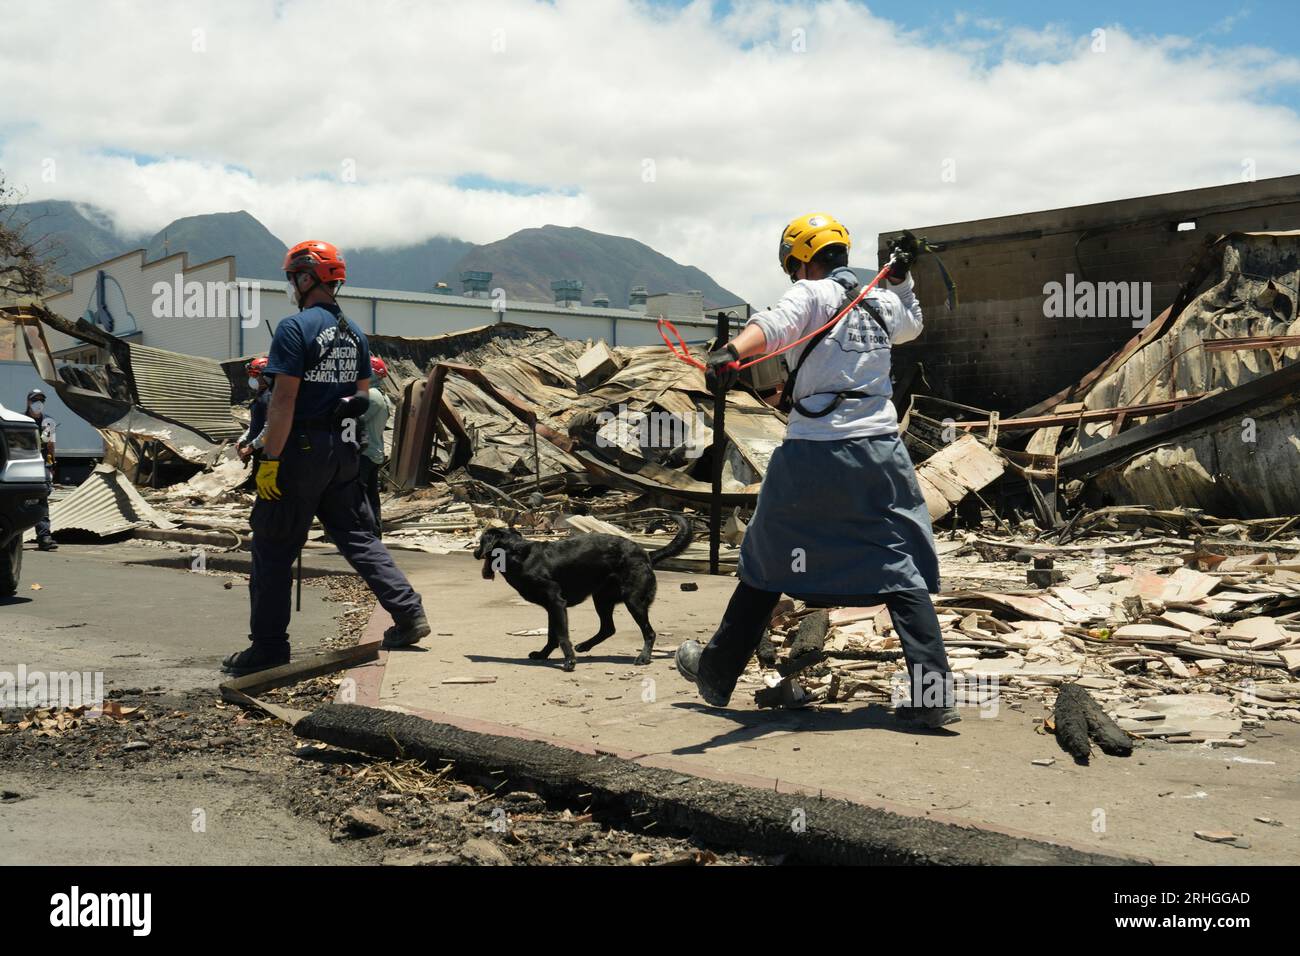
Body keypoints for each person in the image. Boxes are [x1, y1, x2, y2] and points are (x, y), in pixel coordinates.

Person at [674, 213, 959, 729]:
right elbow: (913, 323)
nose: (794, 275)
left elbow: (775, 324)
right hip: (879, 450)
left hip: (813, 452)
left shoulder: (812, 294)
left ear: (802, 260)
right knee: (899, 560)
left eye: (793, 266)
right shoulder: (882, 301)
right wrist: (903, 280)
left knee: (766, 558)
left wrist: (728, 353)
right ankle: (931, 692)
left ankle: (716, 673)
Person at [222, 240, 430, 677]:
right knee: (358, 536)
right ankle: (409, 613)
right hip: (343, 453)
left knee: (274, 547)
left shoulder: (294, 329)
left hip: (298, 453)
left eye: (291, 278)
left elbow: (282, 402)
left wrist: (271, 458)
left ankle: (268, 648)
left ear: (303, 278)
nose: (291, 286)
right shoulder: (354, 333)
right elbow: (360, 394)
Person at [358, 355, 391, 536]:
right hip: (374, 453)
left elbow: (355, 419)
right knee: (371, 497)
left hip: (364, 453)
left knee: (359, 496)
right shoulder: (382, 396)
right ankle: (374, 532)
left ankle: (362, 533)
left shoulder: (371, 396)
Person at [24, 388, 58, 551]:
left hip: (41, 464)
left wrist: (52, 465)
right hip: (22, 464)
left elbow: (51, 445)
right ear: (28, 402)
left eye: (41, 400)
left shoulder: (48, 422)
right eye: (35, 400)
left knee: (42, 498)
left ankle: (44, 536)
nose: (38, 403)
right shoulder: (20, 420)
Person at [236, 357, 272, 463]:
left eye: (255, 375)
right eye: (251, 375)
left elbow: (271, 428)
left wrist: (252, 446)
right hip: (258, 450)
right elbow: (256, 424)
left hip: (268, 453)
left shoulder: (271, 397)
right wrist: (243, 439)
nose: (252, 379)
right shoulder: (261, 395)